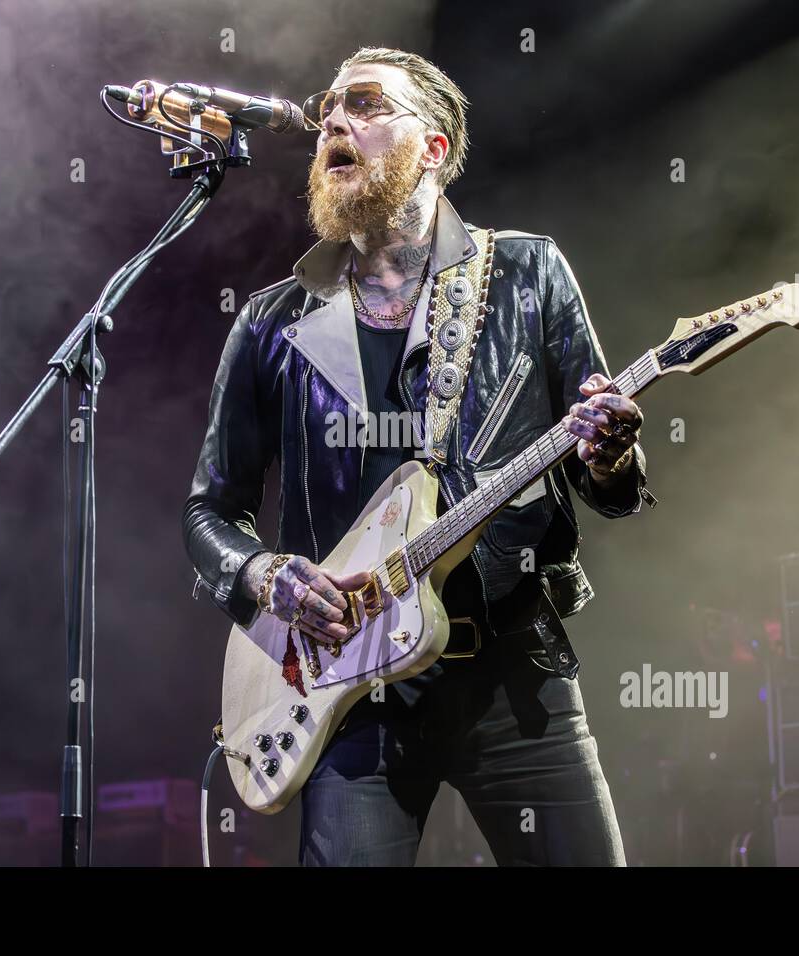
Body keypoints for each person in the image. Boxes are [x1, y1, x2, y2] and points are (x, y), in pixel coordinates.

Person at [184, 47, 654, 866]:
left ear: (433, 147)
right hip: (346, 693)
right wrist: (269, 577)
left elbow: (603, 484)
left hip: (514, 675)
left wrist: (612, 456)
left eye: (364, 105)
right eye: (328, 107)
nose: (333, 120)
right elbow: (209, 511)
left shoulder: (528, 274)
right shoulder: (271, 323)